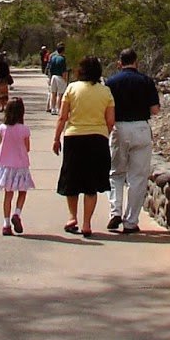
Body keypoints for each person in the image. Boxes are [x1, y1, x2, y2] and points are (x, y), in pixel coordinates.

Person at [52, 55, 114, 237]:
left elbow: (63, 116)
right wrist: (103, 133)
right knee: (91, 183)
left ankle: (73, 217)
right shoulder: (106, 92)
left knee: (71, 178)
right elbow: (110, 120)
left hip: (74, 137)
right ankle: (87, 223)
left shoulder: (71, 88)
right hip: (98, 138)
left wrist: (56, 138)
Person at [105, 48, 161, 235]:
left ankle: (115, 210)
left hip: (119, 127)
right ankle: (130, 221)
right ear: (136, 62)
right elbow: (155, 110)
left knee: (116, 172)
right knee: (138, 177)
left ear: (119, 63)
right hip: (141, 128)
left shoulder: (111, 82)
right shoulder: (146, 81)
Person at [0, 96, 34, 234]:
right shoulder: (24, 129)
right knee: (22, 191)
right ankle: (17, 213)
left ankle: (6, 224)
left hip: (6, 164)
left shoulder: (2, 128)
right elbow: (27, 147)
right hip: (21, 164)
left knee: (8, 194)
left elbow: (2, 144)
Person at [46, 42, 68, 115]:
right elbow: (63, 71)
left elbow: (49, 68)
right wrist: (65, 80)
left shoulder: (52, 57)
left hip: (53, 76)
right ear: (63, 50)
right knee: (60, 94)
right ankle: (58, 109)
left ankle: (53, 108)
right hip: (59, 77)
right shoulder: (62, 59)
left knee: (53, 93)